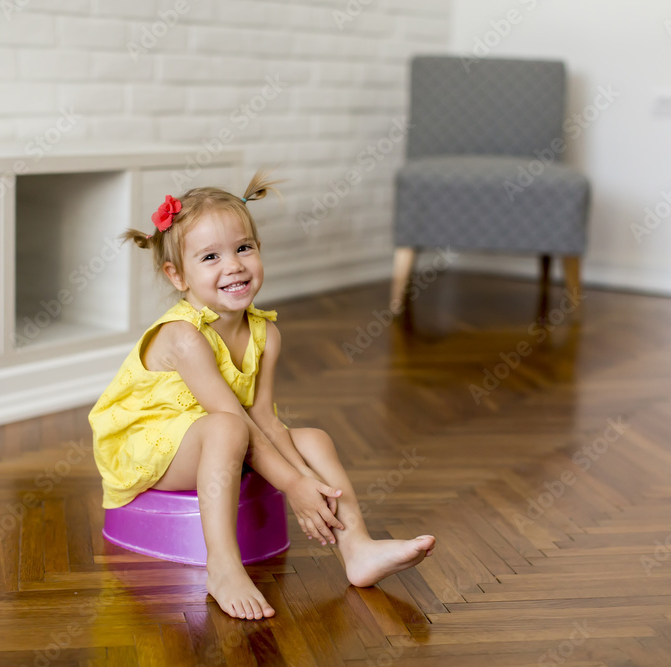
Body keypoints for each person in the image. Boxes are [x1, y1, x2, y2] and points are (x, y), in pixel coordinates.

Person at [88, 170, 435, 621]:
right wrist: (293, 485)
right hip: (148, 448)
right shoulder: (183, 338)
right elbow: (232, 419)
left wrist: (305, 480)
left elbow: (265, 419)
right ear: (177, 276)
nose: (233, 265)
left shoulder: (264, 333)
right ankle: (223, 566)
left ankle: (358, 548)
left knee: (315, 440)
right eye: (210, 256)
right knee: (228, 427)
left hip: (215, 435)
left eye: (243, 248)